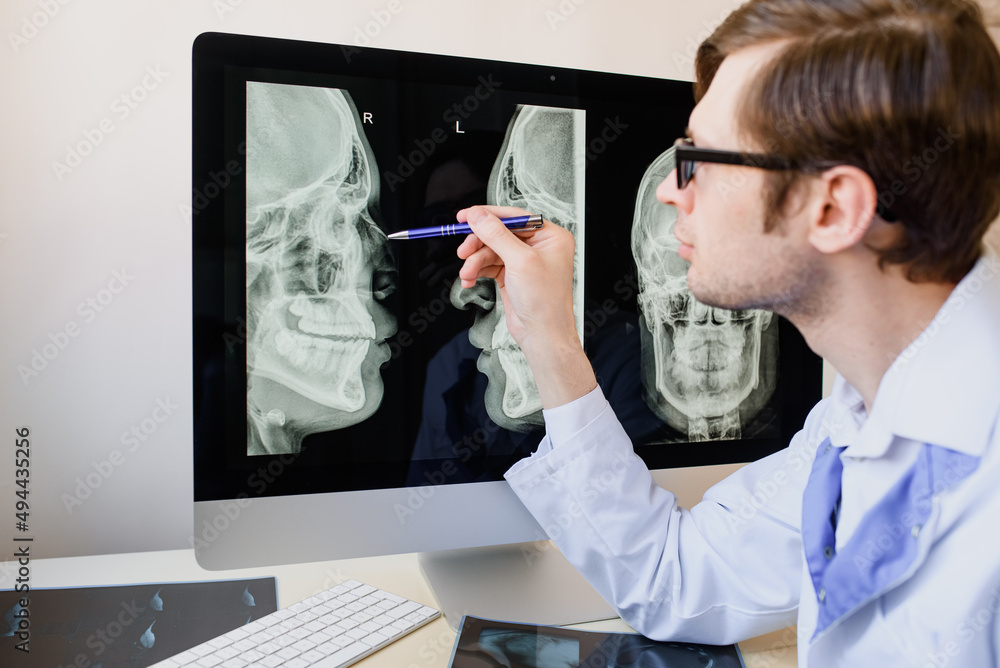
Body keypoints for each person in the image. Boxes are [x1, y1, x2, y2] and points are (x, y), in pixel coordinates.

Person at [452, 0, 1000, 666]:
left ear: (832, 208)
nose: (669, 193)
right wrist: (547, 334)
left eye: (699, 160)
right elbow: (679, 582)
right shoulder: (857, 420)